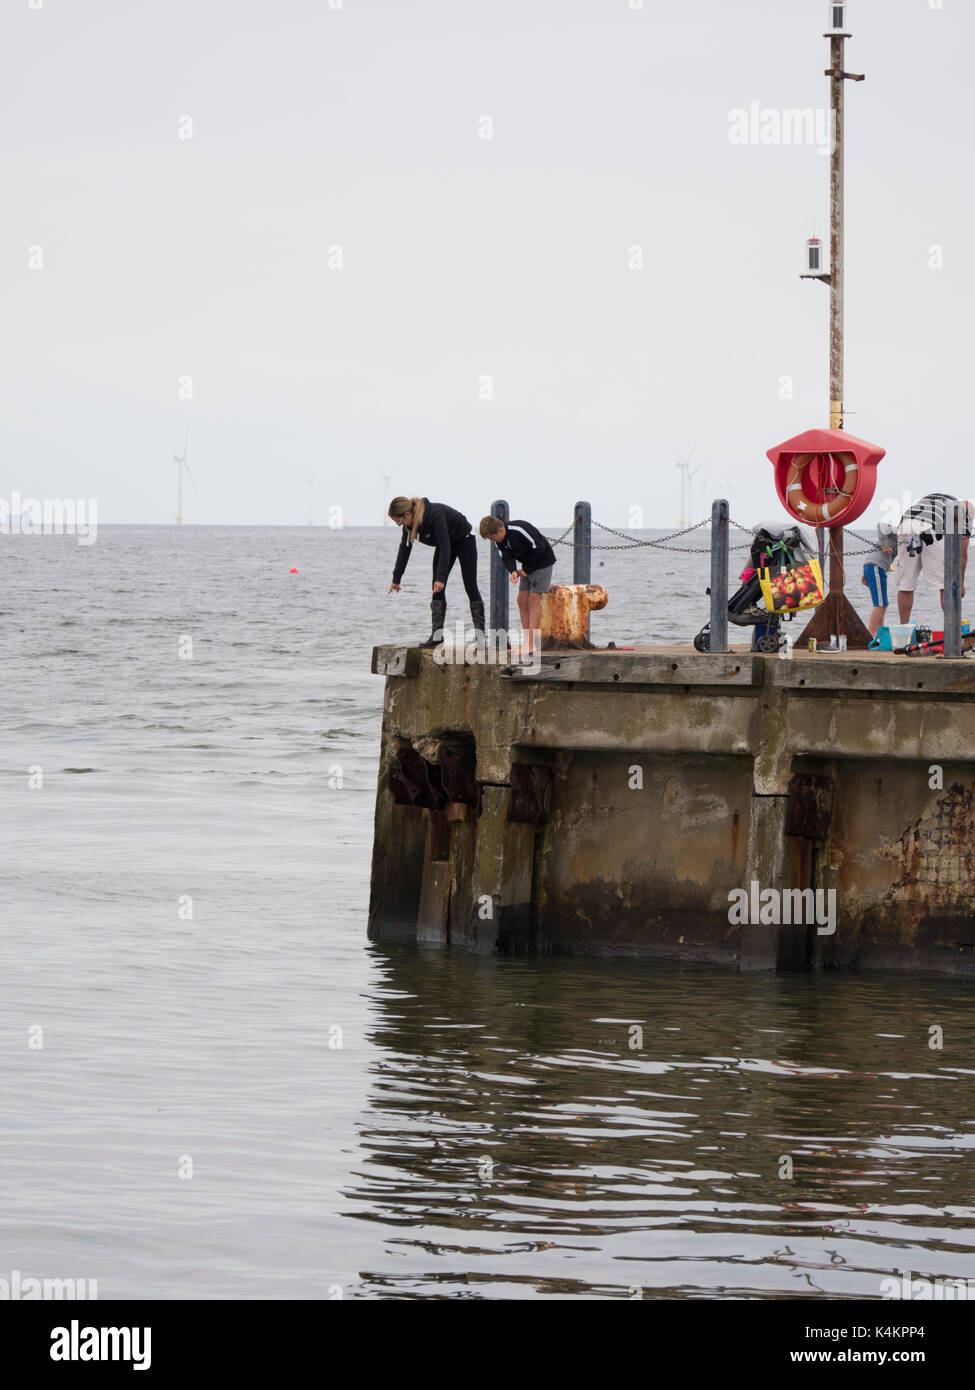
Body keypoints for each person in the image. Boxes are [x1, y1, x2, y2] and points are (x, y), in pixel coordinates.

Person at [386, 496, 484, 647]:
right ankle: (437, 636)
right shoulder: (409, 526)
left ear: (406, 515)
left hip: (464, 539)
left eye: (399, 522)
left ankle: (481, 636)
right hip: (445, 544)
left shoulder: (434, 514)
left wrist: (441, 578)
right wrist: (396, 579)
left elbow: (445, 546)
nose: (400, 525)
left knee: (470, 586)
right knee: (436, 589)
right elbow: (404, 549)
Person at [479, 514, 556, 655]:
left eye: (492, 538)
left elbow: (540, 548)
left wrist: (526, 570)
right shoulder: (499, 541)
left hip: (543, 562)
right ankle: (526, 642)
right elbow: (507, 557)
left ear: (501, 530)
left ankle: (532, 644)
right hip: (527, 566)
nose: (492, 541)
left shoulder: (520, 528)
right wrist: (513, 571)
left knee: (534, 599)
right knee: (521, 600)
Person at [895, 494, 974, 622]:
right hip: (930, 528)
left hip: (906, 525)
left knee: (906, 583)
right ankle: (953, 631)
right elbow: (962, 553)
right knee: (945, 583)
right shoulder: (963, 512)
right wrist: (961, 582)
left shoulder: (938, 499)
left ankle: (904, 631)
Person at [860, 520, 897, 637]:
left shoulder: (901, 541)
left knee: (883, 604)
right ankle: (869, 637)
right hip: (875, 567)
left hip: (876, 568)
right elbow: (880, 525)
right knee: (879, 604)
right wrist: (885, 544)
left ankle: (879, 636)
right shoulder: (892, 534)